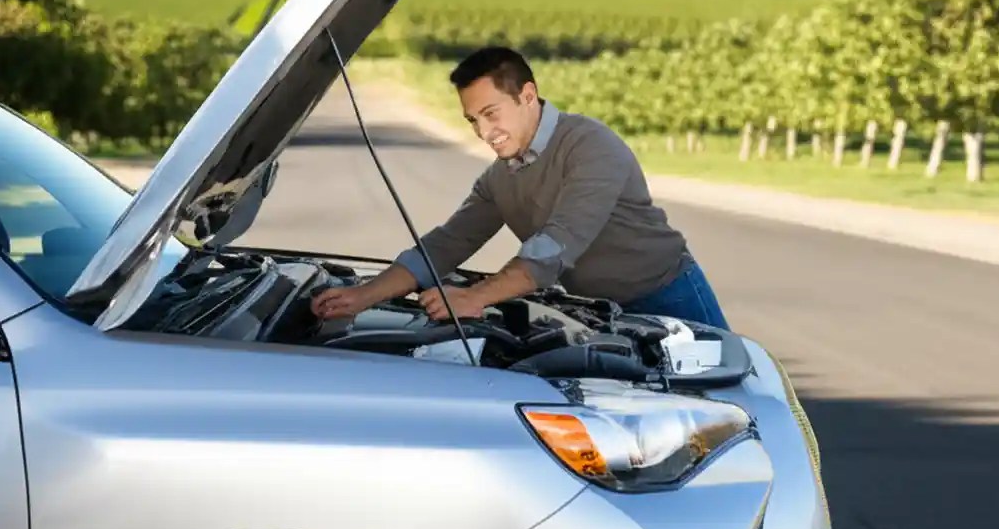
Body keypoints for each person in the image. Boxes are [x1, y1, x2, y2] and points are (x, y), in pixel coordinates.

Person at [310, 46, 730, 330]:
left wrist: (474, 297)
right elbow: (443, 246)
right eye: (473, 120)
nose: (484, 131)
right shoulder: (500, 177)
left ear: (528, 95)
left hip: (670, 298)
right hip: (602, 313)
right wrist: (361, 296)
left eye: (491, 113)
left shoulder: (590, 146)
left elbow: (555, 246)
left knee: (729, 413)